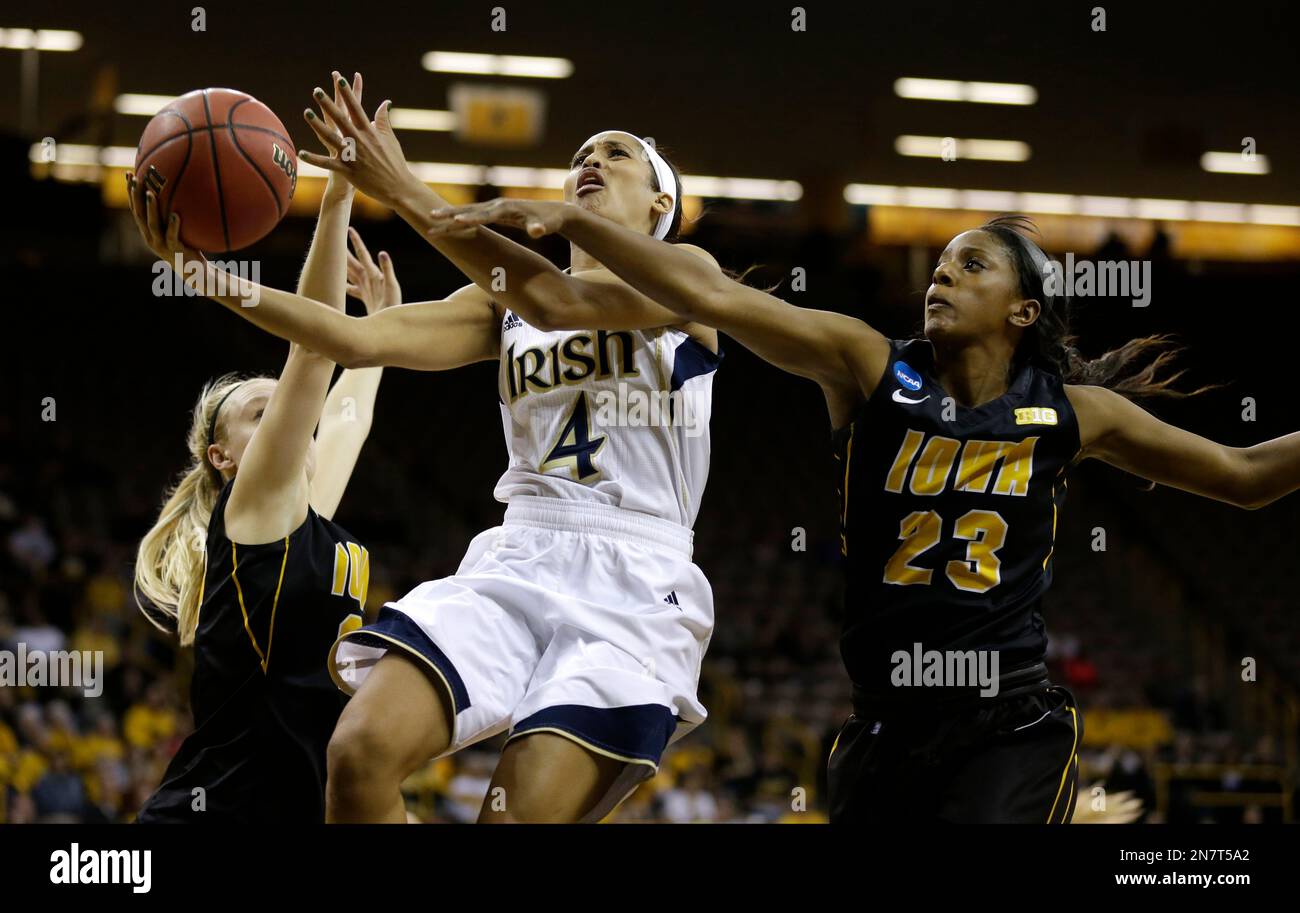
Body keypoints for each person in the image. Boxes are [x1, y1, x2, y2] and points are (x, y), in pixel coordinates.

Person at [428, 197, 1300, 822]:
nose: (942, 276)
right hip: (884, 723)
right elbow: (715, 300)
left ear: (1022, 310)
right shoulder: (868, 365)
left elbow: (1247, 472)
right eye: (942, 263)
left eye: (971, 265)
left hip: (1012, 723)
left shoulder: (1074, 413)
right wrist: (578, 224)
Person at [128, 71, 725, 823]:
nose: (590, 161)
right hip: (521, 553)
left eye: (616, 154)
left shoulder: (690, 280)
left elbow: (556, 299)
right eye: (580, 154)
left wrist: (400, 183)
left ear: (661, 204)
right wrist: (203, 275)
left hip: (635, 582)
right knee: (358, 754)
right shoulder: (497, 307)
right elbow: (346, 338)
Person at [131, 75, 387, 822]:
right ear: (224, 457)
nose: (286, 416)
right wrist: (336, 197)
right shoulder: (256, 511)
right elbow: (313, 354)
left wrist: (376, 332)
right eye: (258, 411)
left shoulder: (302, 514)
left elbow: (344, 415)